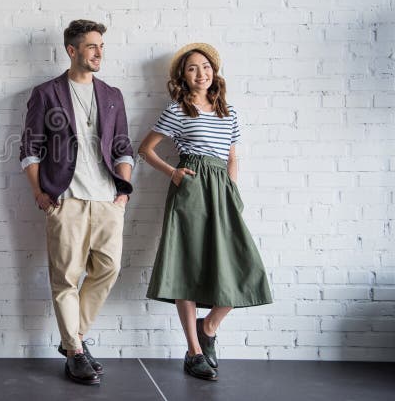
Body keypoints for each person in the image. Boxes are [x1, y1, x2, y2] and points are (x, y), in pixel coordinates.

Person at [139, 42, 272, 381]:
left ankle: (208, 326)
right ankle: (194, 351)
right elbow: (145, 148)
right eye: (192, 68)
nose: (201, 73)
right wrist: (174, 173)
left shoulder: (229, 111)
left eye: (206, 66)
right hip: (192, 188)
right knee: (186, 265)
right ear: (183, 77)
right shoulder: (177, 110)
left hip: (222, 190)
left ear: (214, 71)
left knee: (245, 266)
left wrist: (233, 192)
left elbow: (232, 157)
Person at [20, 20, 134, 386]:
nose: (99, 52)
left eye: (101, 46)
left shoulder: (113, 94)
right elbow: (30, 148)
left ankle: (73, 343)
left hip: (107, 200)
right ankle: (76, 351)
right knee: (66, 278)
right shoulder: (47, 93)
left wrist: (124, 190)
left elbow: (123, 146)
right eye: (91, 46)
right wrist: (40, 193)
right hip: (65, 199)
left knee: (108, 268)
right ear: (72, 51)